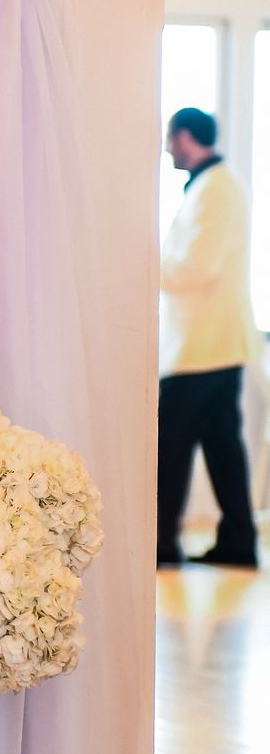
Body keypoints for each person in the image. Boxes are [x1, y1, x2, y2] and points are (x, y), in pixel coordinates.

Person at [158, 109, 261, 569]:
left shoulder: (217, 189)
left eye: (170, 140)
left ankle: (162, 542)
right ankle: (238, 543)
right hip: (212, 343)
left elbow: (196, 267)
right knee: (222, 448)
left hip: (201, 346)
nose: (167, 150)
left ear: (184, 137)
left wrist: (142, 260)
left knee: (171, 445)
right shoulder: (215, 186)